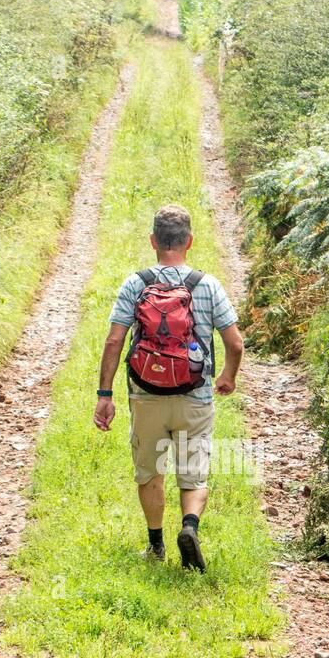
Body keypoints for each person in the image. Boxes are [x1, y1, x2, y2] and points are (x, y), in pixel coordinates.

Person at [93, 204, 244, 572]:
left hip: (146, 394)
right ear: (189, 241)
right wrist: (227, 376)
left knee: (150, 472)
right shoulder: (207, 285)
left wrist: (105, 395)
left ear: (153, 241)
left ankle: (156, 545)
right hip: (194, 396)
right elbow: (235, 343)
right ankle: (189, 526)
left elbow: (114, 341)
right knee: (193, 474)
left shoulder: (137, 283)